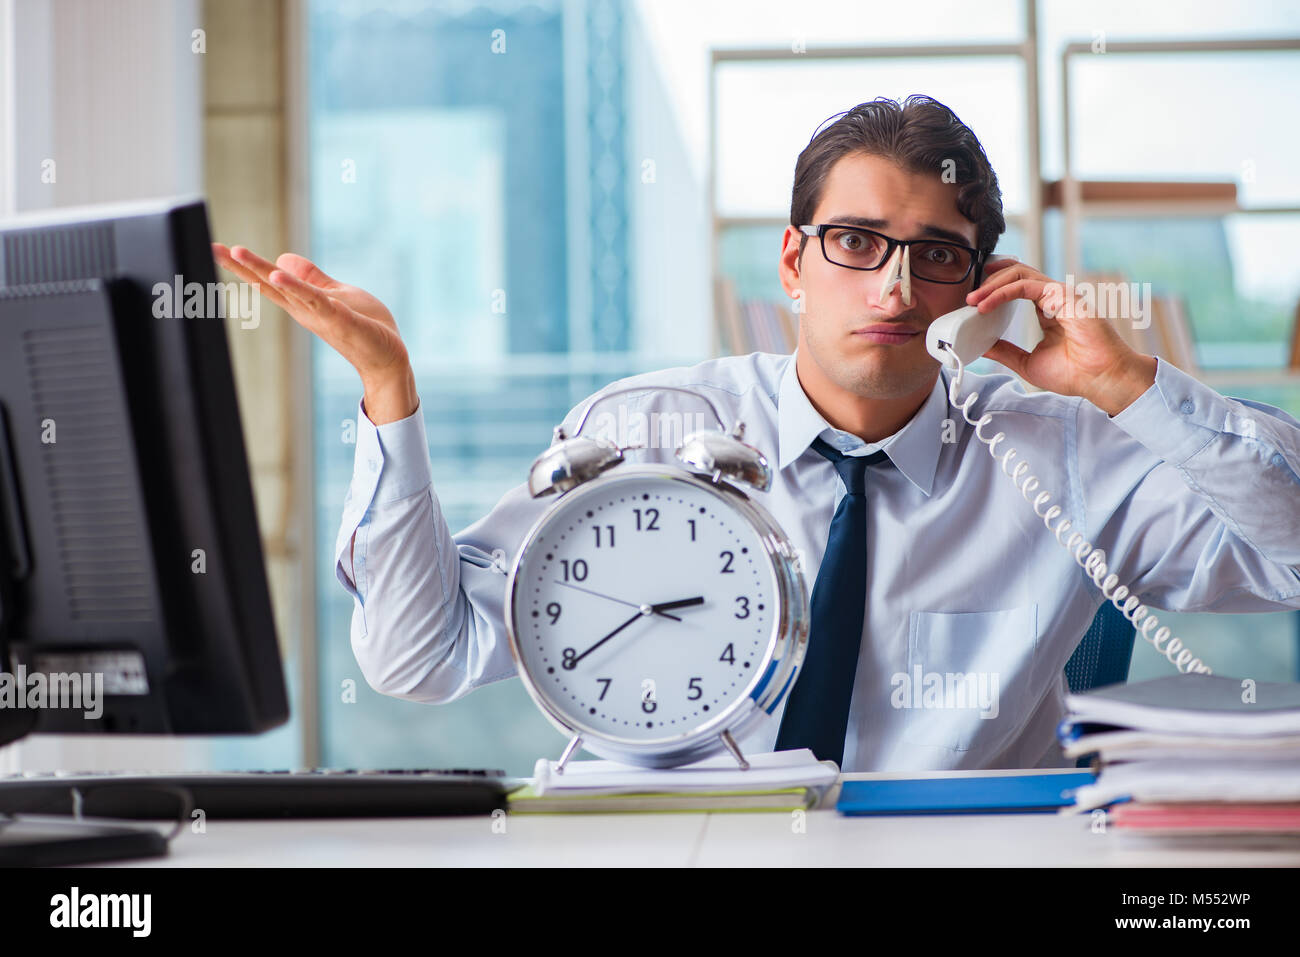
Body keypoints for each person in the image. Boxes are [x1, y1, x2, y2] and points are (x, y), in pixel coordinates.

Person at [213, 95, 1300, 772]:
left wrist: (1133, 388)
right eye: (855, 242)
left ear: (980, 286)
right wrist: (388, 390)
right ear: (791, 263)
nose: (895, 284)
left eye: (937, 254)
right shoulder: (642, 430)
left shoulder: (1062, 453)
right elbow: (421, 654)